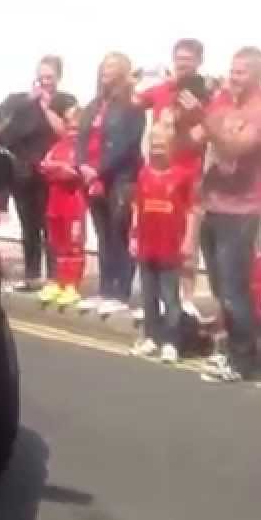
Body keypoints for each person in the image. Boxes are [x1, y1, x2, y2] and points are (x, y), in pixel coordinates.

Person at [193, 47, 261, 383]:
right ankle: (233, 350)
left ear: (256, 75)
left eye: (240, 73)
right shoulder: (222, 106)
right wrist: (184, 119)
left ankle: (244, 360)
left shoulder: (260, 111)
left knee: (236, 291)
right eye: (232, 71)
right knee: (222, 289)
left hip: (242, 211)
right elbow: (190, 143)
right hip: (213, 206)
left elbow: (235, 148)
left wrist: (206, 118)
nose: (233, 77)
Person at [135, 38, 211, 318]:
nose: (183, 63)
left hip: (188, 171)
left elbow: (208, 128)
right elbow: (133, 101)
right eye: (179, 58)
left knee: (187, 236)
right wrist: (135, 77)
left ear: (199, 62)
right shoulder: (162, 90)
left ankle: (187, 297)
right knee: (155, 231)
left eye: (188, 59)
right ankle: (153, 301)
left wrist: (197, 115)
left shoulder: (204, 92)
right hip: (157, 172)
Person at [0, 55, 77, 291]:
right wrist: (27, 103)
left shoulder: (65, 101)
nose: (44, 82)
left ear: (58, 78)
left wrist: (44, 106)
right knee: (28, 227)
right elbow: (0, 133)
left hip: (50, 178)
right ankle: (31, 275)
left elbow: (65, 132)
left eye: (49, 77)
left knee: (50, 228)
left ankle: (54, 276)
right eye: (40, 77)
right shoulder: (18, 102)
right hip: (23, 175)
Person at [77, 52, 146, 317]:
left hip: (120, 179)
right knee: (103, 235)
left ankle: (121, 291)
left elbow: (127, 146)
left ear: (123, 72)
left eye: (113, 67)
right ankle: (105, 289)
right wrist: (82, 165)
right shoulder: (93, 105)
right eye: (104, 66)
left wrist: (98, 169)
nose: (107, 71)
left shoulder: (132, 107)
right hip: (92, 179)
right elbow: (81, 139)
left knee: (120, 233)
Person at [129, 112, 197, 364]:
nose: (157, 149)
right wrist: (133, 236)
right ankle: (150, 337)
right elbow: (137, 207)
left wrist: (188, 240)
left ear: (172, 147)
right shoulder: (144, 174)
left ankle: (171, 341)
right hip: (147, 243)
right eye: (153, 144)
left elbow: (191, 211)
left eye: (162, 145)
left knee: (170, 296)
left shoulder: (182, 175)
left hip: (170, 244)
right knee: (148, 295)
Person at [37, 101, 88, 306]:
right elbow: (43, 166)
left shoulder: (83, 149)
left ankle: (72, 284)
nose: (72, 131)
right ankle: (58, 281)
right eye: (69, 126)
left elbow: (75, 173)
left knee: (73, 244)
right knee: (56, 244)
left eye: (76, 128)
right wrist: (59, 168)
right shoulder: (57, 147)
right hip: (54, 203)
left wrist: (58, 169)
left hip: (73, 204)